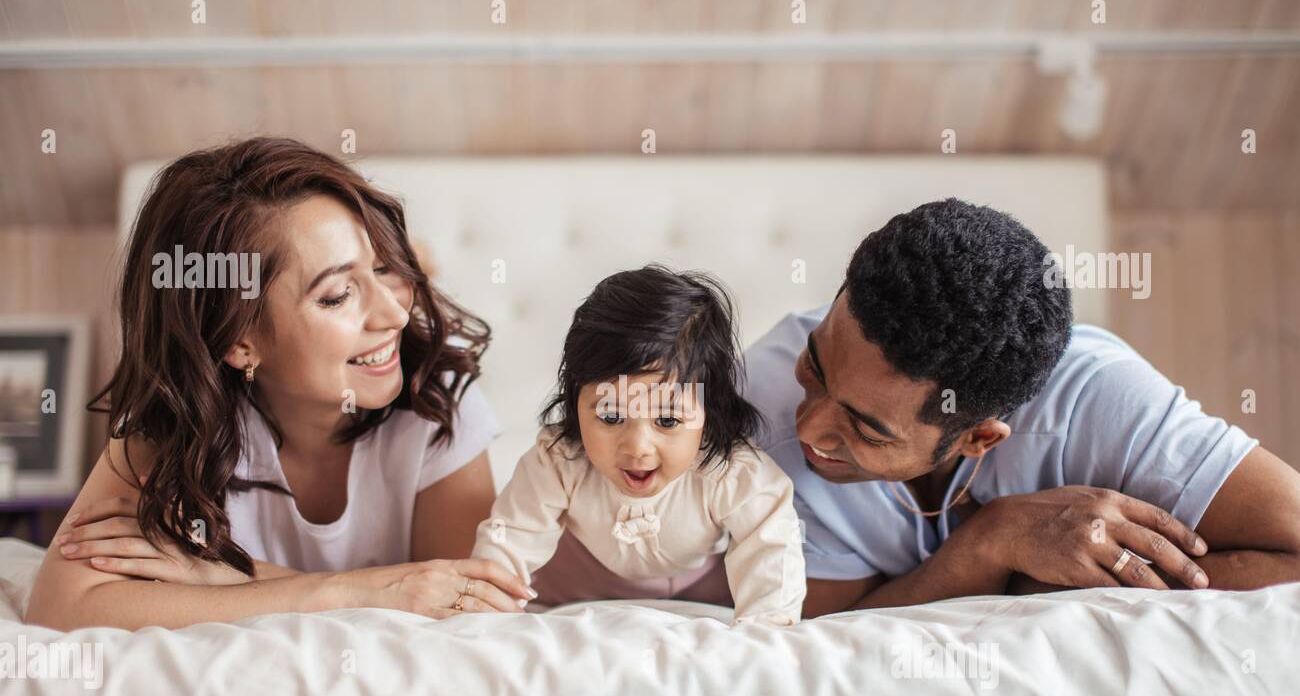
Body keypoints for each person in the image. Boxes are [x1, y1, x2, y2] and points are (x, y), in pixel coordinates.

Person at [27, 137, 533, 631]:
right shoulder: (176, 414)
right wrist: (349, 592)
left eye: (384, 269)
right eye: (337, 296)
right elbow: (61, 606)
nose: (394, 313)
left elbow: (466, 615)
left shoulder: (435, 394)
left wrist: (228, 577)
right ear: (238, 341)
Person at [744, 198, 1300, 616]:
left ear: (979, 438)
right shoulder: (758, 422)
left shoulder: (1104, 408)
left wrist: (1051, 585)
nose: (809, 426)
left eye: (867, 428)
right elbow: (831, 635)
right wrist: (993, 545)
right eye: (816, 367)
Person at [472, 265, 805, 626]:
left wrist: (766, 627)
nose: (637, 448)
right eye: (611, 417)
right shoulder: (559, 460)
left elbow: (770, 545)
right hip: (573, 587)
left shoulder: (729, 471)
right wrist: (487, 610)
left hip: (706, 591)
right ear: (574, 404)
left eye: (667, 421)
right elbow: (511, 537)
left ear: (709, 413)